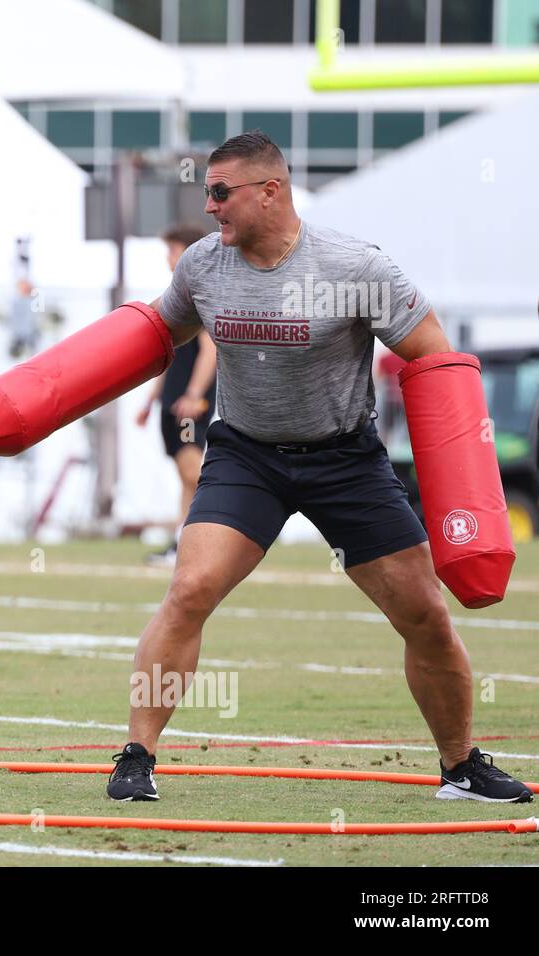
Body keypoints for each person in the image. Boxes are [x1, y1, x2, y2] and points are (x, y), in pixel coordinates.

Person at [107, 130, 531, 804]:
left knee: (425, 613)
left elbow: (434, 357)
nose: (211, 208)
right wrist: (73, 386)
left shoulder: (355, 267)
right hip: (246, 455)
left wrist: (462, 487)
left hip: (344, 460)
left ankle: (461, 767)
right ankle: (136, 757)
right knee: (189, 590)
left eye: (221, 193)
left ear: (270, 192)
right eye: (207, 194)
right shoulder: (203, 267)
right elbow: (161, 332)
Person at [135, 224, 217, 566]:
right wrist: (150, 400)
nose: (168, 257)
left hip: (189, 403)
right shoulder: (177, 296)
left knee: (192, 473)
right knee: (183, 476)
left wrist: (194, 394)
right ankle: (183, 544)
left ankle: (204, 545)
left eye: (173, 249)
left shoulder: (200, 298)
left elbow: (209, 350)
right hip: (171, 401)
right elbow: (167, 356)